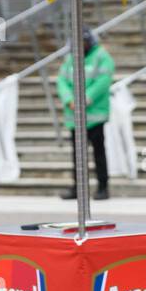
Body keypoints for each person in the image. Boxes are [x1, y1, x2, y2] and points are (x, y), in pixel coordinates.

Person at [57, 27, 115, 202]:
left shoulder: (101, 57)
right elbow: (61, 81)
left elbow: (104, 80)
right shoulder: (70, 60)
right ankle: (78, 187)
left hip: (95, 115)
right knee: (77, 155)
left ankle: (103, 187)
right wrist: (70, 100)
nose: (81, 46)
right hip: (75, 117)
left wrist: (86, 98)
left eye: (83, 42)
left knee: (99, 152)